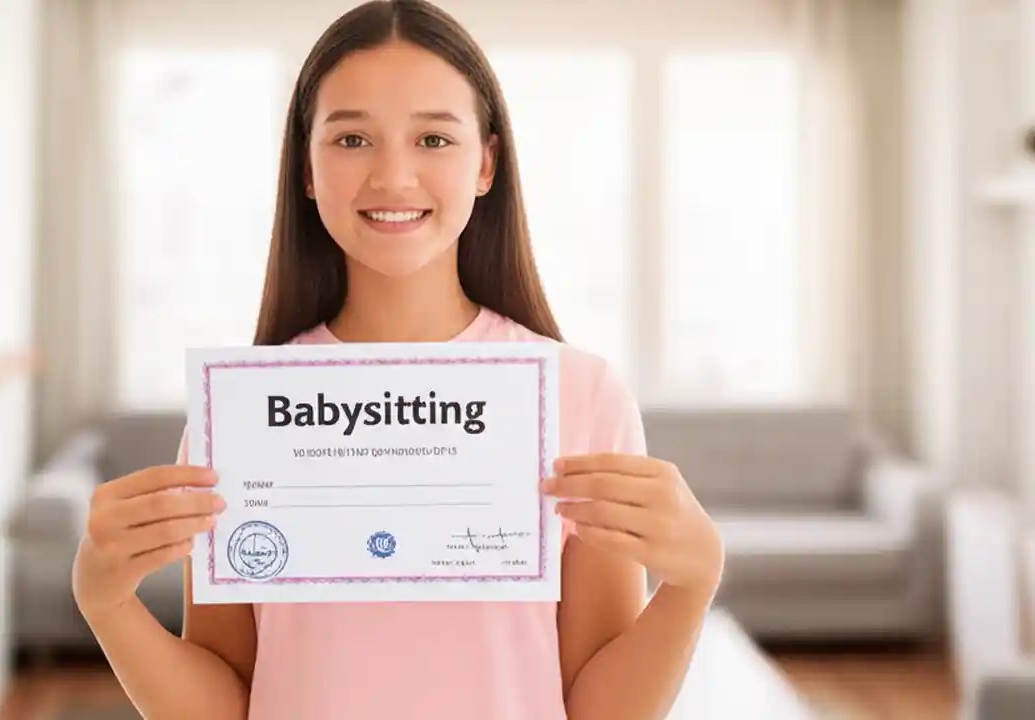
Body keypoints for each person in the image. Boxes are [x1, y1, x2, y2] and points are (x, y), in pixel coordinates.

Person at [72, 1, 725, 718]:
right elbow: (228, 704)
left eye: (434, 140)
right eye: (351, 138)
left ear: (487, 163)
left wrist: (694, 580)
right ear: (307, 169)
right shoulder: (243, 414)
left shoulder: (580, 396)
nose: (393, 176)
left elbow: (597, 710)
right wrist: (105, 603)